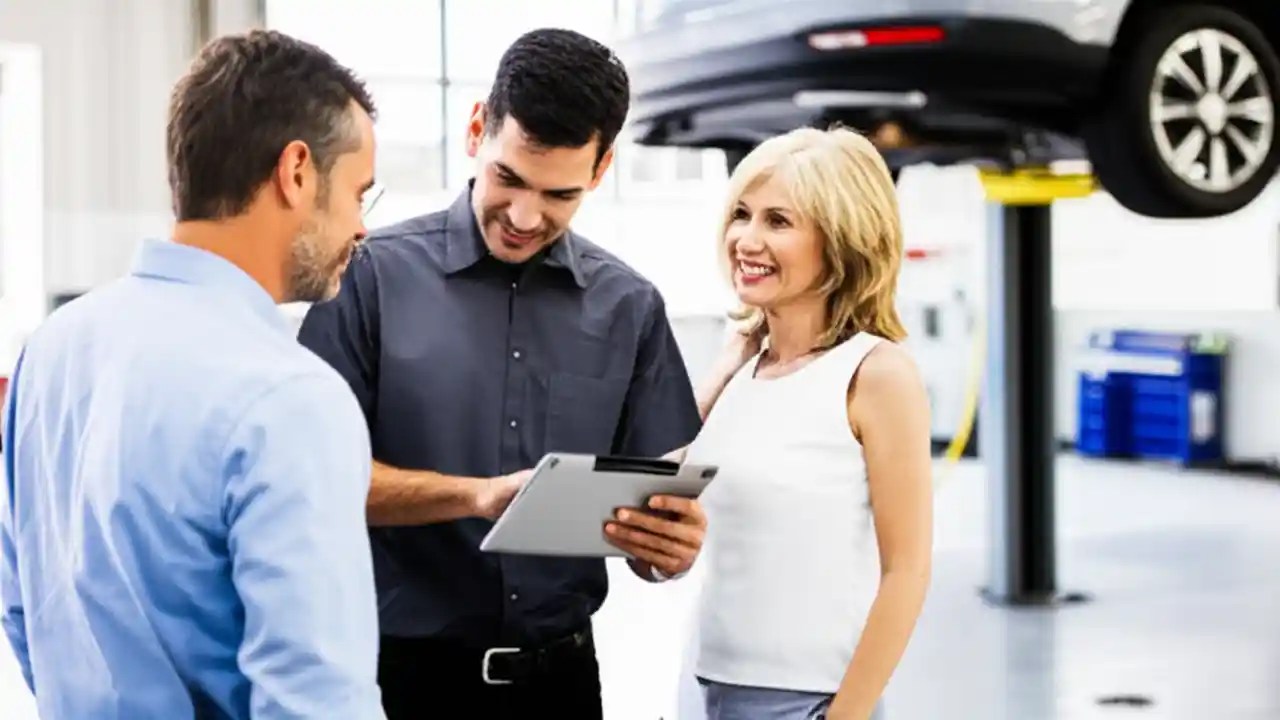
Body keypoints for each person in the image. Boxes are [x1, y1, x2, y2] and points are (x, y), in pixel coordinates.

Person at [297, 27, 706, 719]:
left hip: (561, 687)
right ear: (478, 128)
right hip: (393, 685)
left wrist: (668, 548)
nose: (523, 216)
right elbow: (307, 480)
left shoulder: (630, 309)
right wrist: (478, 496)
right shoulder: (366, 278)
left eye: (559, 195)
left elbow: (651, 520)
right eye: (509, 178)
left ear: (601, 170)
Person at [1, 30, 387, 719]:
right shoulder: (291, 397)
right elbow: (316, 703)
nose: (362, 227)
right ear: (296, 171)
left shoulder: (52, 351)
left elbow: (25, 610)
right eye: (359, 193)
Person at [677, 126, 934, 720]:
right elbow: (659, 490)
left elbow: (908, 569)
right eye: (742, 214)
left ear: (841, 240)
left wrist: (845, 716)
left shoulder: (875, 373)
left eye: (778, 221)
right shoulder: (741, 370)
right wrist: (726, 364)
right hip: (707, 685)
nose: (747, 238)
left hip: (806, 702)